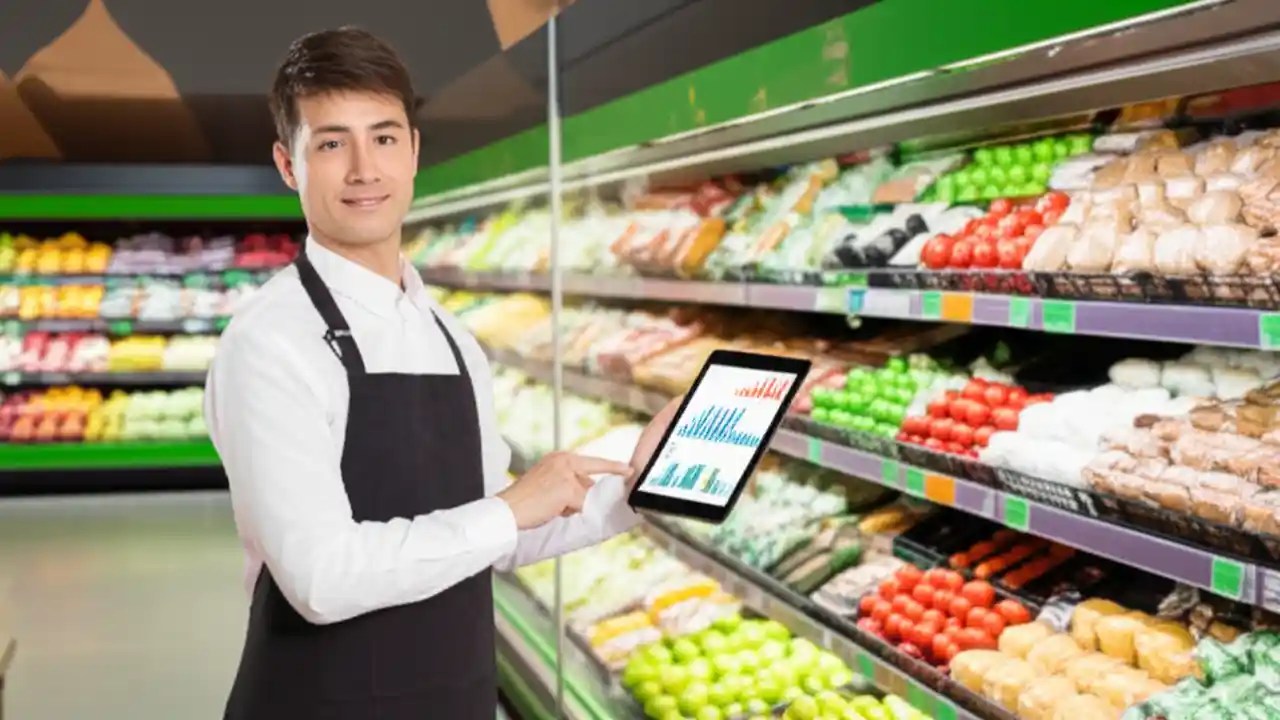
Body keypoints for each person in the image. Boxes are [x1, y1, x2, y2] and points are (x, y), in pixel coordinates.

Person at [205, 26, 680, 719]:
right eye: (332, 143)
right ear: (288, 164)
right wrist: (512, 505)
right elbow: (319, 578)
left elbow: (495, 534)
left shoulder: (452, 340)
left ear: (415, 150)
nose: (365, 168)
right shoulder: (270, 343)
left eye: (386, 137)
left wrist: (639, 490)